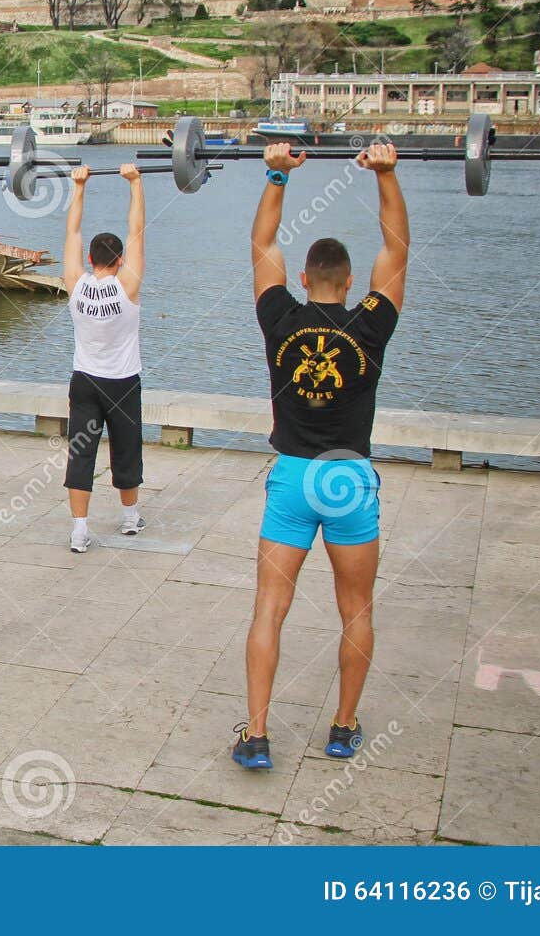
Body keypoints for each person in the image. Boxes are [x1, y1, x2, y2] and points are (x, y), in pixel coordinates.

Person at [234, 141, 407, 770]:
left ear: (304, 279)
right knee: (355, 610)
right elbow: (397, 249)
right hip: (347, 479)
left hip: (295, 478)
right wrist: (386, 174)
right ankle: (342, 727)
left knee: (268, 612)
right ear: (351, 283)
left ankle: (256, 737)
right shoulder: (370, 324)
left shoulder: (280, 316)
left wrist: (279, 172)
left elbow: (262, 242)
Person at [61, 162, 147, 554]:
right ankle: (129, 518)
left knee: (82, 453)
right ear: (120, 259)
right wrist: (135, 182)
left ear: (91, 259)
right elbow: (137, 230)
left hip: (85, 383)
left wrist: (79, 187)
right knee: (126, 449)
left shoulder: (74, 285)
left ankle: (80, 531)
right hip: (123, 383)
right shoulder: (128, 286)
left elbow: (72, 232)